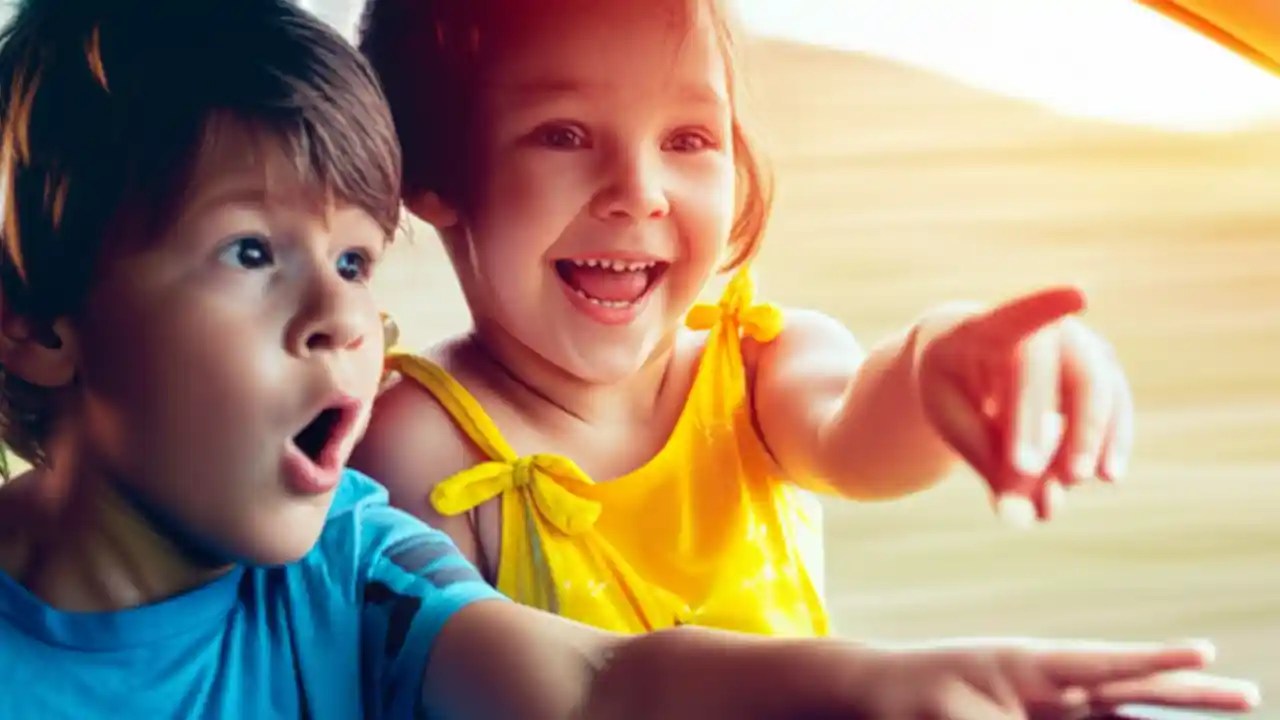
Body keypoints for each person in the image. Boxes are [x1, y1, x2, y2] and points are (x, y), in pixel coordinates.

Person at [0, 0, 1259, 717]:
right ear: (42, 323)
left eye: (349, 264)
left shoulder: (355, 563)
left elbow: (604, 676)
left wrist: (944, 373)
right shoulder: (408, 453)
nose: (338, 322)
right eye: (246, 255)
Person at [353, 0, 1131, 638]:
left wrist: (941, 360)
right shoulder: (417, 449)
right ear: (433, 169)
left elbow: (858, 432)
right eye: (564, 135)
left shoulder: (761, 365)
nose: (640, 190)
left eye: (688, 138)